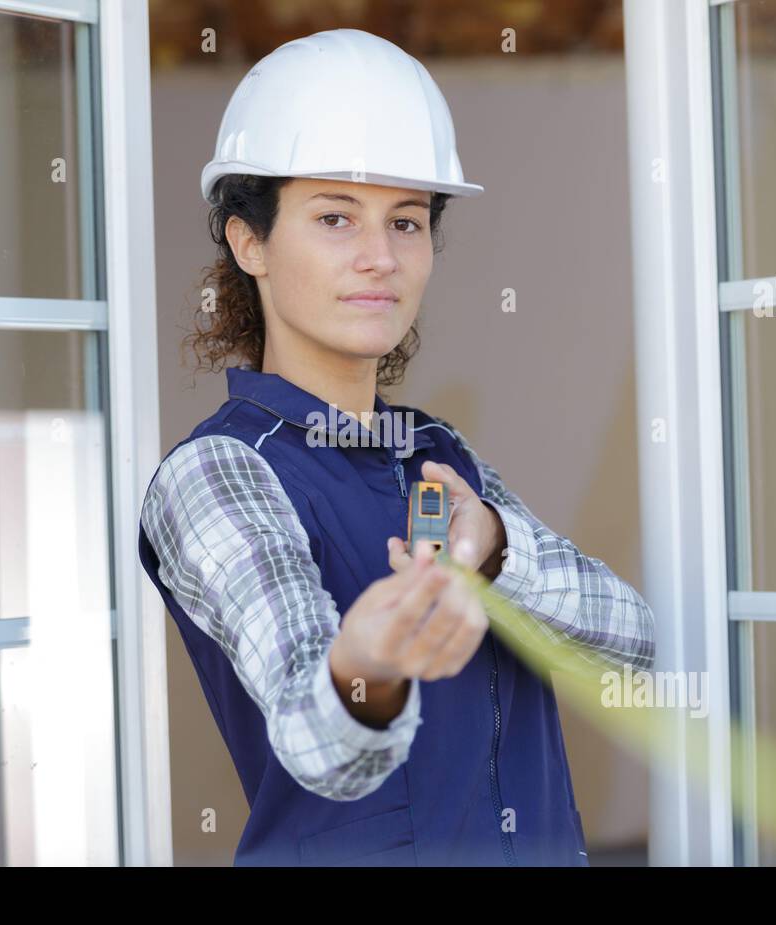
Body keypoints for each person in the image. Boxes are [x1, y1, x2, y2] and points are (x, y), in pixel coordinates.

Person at [138, 28, 655, 867]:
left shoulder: (439, 456)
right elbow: (322, 743)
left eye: (407, 222)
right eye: (336, 217)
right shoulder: (219, 472)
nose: (380, 257)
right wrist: (367, 665)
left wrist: (495, 552)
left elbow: (630, 646)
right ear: (249, 243)